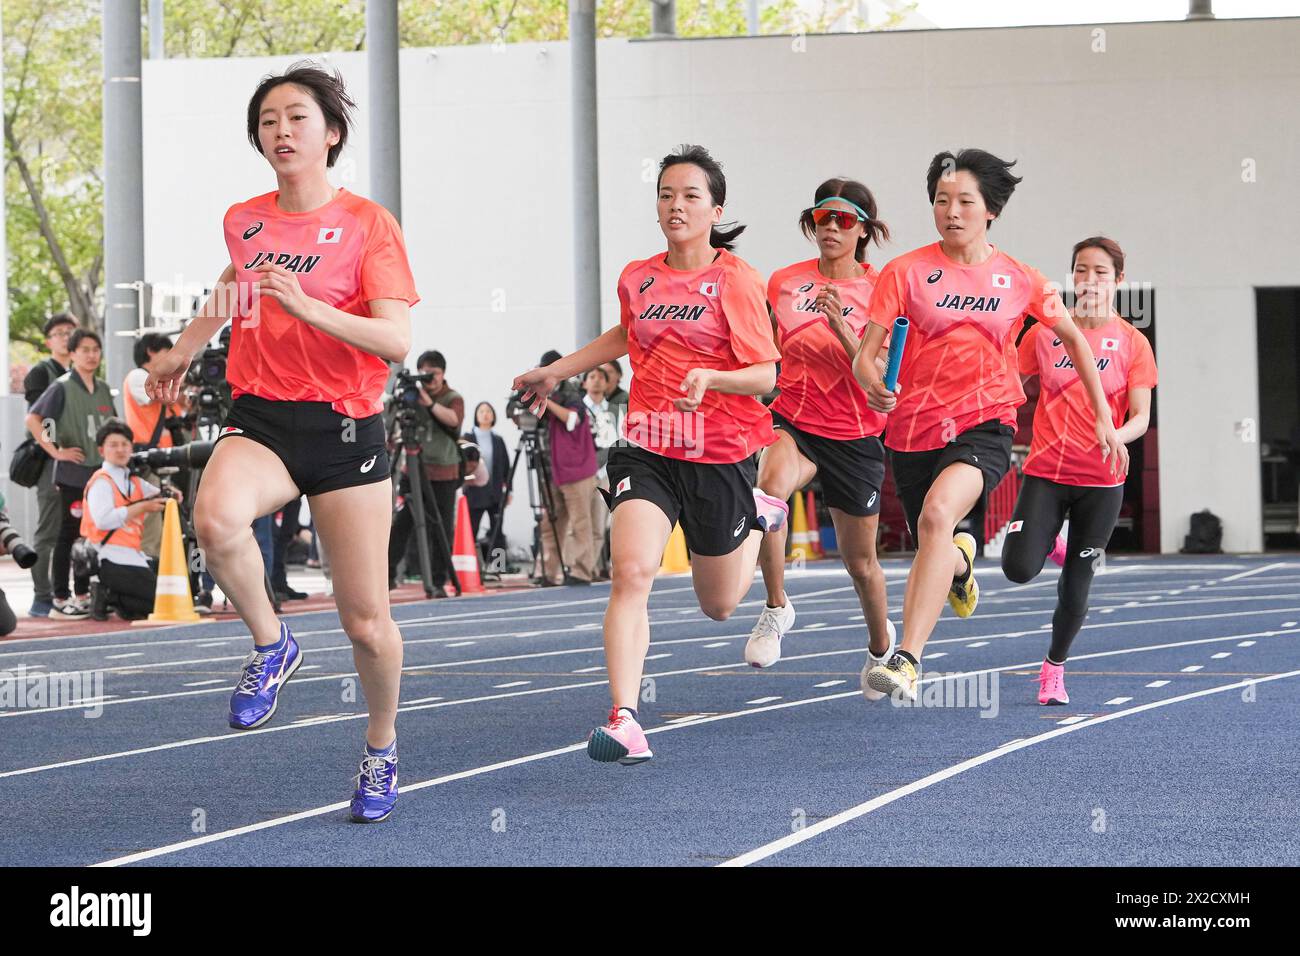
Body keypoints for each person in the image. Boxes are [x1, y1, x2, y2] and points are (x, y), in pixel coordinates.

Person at [145, 62, 419, 823]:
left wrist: (308, 307)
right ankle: (272, 644)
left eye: (297, 117)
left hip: (345, 428)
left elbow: (396, 339)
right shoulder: (246, 217)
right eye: (268, 120)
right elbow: (232, 282)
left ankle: (380, 746)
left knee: (365, 619)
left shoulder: (368, 224)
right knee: (215, 519)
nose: (281, 131)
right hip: (263, 415)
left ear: (331, 133)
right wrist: (184, 347)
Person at [512, 144, 787, 765]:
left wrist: (711, 380)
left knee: (717, 605)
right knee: (631, 572)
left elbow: (767, 374)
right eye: (666, 194)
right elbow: (625, 334)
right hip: (650, 447)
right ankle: (626, 717)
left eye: (691, 195)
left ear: (717, 208)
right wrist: (558, 371)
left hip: (720, 451)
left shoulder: (736, 281)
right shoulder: (639, 275)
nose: (676, 206)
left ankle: (762, 514)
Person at [854, 148, 1123, 702]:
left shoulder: (1020, 278)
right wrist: (872, 381)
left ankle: (907, 659)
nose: (951, 211)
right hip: (910, 430)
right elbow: (866, 354)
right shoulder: (904, 272)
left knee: (935, 515)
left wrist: (1103, 416)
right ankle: (961, 560)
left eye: (965, 202)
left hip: (985, 424)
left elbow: (1073, 338)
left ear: (991, 208)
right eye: (941, 200)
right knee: (935, 535)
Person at [744, 178, 898, 698]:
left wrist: (840, 325)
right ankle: (775, 607)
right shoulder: (784, 282)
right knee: (768, 494)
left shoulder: (883, 289)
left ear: (864, 230)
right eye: (822, 218)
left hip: (854, 435)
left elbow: (876, 376)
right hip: (796, 419)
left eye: (844, 220)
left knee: (861, 564)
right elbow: (760, 343)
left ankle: (881, 649)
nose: (831, 228)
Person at [1002, 237, 1156, 704]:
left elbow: (1141, 417)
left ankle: (1053, 668)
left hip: (1102, 481)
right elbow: (1008, 377)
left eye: (1101, 273)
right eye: (1082, 271)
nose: (1090, 281)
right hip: (1047, 470)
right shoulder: (1045, 334)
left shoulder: (1133, 343)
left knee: (1077, 586)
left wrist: (1117, 435)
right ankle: (1050, 542)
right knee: (1018, 567)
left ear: (1119, 282)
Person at [26, 328, 119, 620]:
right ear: (73, 353)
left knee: (94, 534)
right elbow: (33, 418)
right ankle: (60, 597)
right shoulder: (62, 386)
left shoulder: (103, 388)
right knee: (68, 534)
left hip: (100, 474)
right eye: (85, 349)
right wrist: (55, 451)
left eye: (96, 349)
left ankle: (84, 593)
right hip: (72, 473)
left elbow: (112, 427)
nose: (91, 355)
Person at [388, 350, 463, 598]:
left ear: (443, 374)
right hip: (414, 470)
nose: (429, 379)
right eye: (425, 374)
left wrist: (429, 403)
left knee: (440, 528)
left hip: (443, 472)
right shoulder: (411, 396)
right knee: (402, 524)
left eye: (434, 374)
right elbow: (394, 420)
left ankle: (439, 581)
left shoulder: (452, 397)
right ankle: (386, 577)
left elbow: (453, 420)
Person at [80, 420, 169, 619]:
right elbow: (103, 521)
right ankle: (106, 589)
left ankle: (115, 597)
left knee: (169, 594)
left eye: (125, 444)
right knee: (163, 601)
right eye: (113, 445)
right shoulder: (101, 481)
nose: (120, 450)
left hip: (134, 556)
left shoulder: (134, 480)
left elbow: (162, 495)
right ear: (102, 450)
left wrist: (173, 494)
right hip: (108, 557)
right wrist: (143, 507)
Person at [23, 313, 77, 618]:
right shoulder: (41, 373)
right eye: (59, 333)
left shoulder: (80, 372)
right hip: (49, 462)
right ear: (48, 341)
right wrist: (56, 451)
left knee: (71, 529)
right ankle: (41, 596)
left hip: (77, 461)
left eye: (70, 331)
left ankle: (67, 593)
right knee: (48, 530)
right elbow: (39, 419)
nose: (65, 336)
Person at [535, 351, 598, 586]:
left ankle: (582, 570)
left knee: (581, 523)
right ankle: (548, 571)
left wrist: (546, 402)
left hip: (576, 469)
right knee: (550, 524)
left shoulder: (570, 392)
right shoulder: (543, 394)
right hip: (552, 468)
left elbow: (572, 420)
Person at [463, 401, 510, 568]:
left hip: (495, 493)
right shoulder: (468, 438)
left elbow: (506, 466)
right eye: (481, 411)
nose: (485, 414)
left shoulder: (498, 440)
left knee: (497, 531)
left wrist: (508, 491)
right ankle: (470, 567)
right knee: (471, 530)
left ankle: (498, 566)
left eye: (488, 411)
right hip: (475, 492)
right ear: (476, 415)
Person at [583, 366, 619, 579]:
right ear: (584, 383)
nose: (596, 381)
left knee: (599, 522)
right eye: (591, 376)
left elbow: (615, 442)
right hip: (582, 472)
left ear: (607, 384)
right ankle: (578, 565)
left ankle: (593, 567)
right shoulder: (578, 409)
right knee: (578, 523)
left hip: (605, 472)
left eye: (601, 378)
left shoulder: (613, 410)